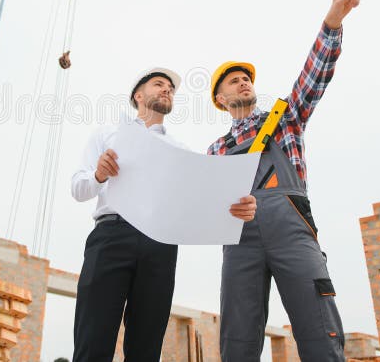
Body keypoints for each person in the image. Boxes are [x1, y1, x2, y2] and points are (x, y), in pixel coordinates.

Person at [208, 0, 361, 362]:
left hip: (293, 232)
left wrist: (332, 22)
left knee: (319, 328)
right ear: (221, 99)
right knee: (238, 339)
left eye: (246, 78)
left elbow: (314, 76)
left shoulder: (285, 118)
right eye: (233, 81)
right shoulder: (216, 151)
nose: (243, 83)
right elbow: (206, 209)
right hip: (239, 242)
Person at [71, 67, 255, 362]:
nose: (167, 89)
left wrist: (237, 208)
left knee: (146, 346)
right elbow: (78, 189)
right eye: (159, 84)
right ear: (138, 95)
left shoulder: (179, 151)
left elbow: (200, 202)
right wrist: (99, 174)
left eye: (171, 87)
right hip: (111, 237)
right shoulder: (108, 134)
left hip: (160, 245)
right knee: (93, 339)